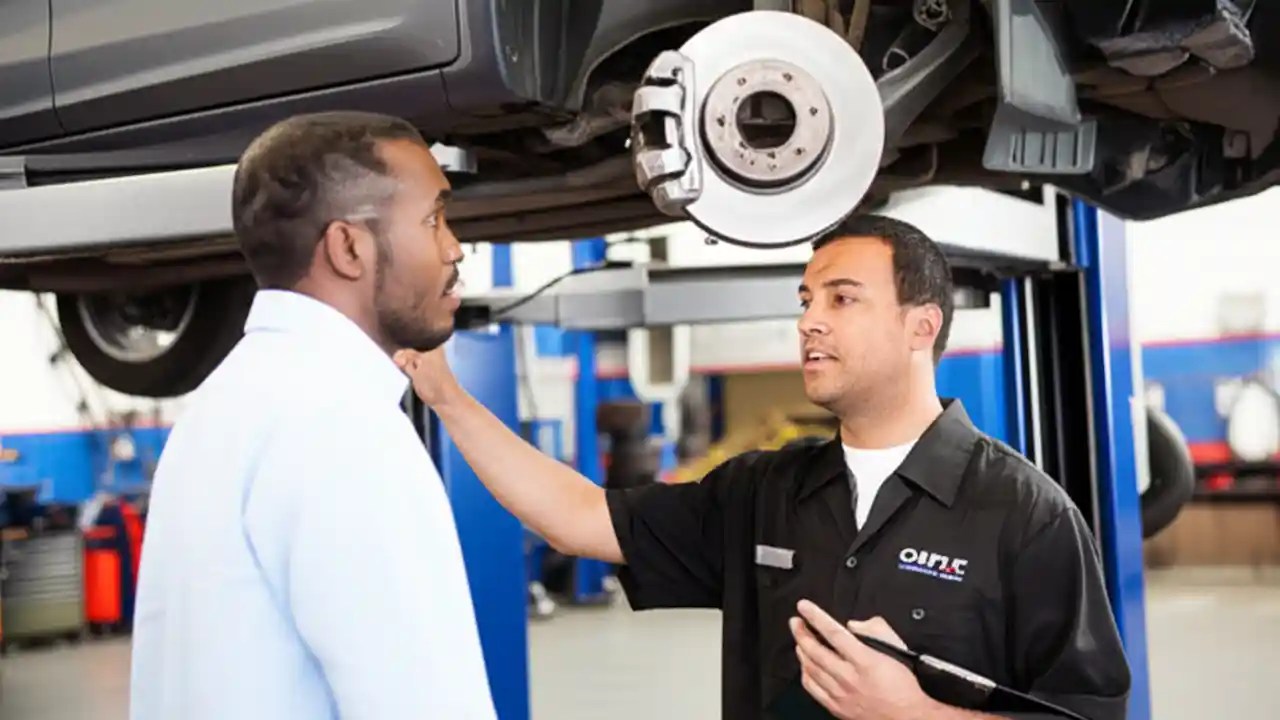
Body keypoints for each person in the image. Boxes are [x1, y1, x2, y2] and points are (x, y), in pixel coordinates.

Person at [396, 214, 1132, 720]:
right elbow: (581, 519)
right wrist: (448, 397)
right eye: (807, 300)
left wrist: (916, 712)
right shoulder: (765, 492)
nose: (810, 319)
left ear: (923, 325)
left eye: (842, 299)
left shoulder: (1026, 516)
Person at [130, 112, 496, 720]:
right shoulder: (345, 428)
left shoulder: (223, 405)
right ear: (348, 247)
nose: (453, 245)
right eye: (433, 218)